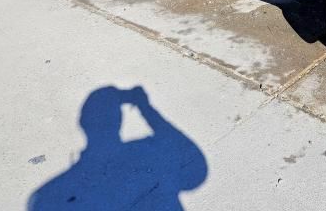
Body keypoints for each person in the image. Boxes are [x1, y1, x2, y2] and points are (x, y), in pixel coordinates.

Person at [28, 86, 206, 210]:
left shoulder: (45, 197)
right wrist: (145, 107)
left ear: (83, 123)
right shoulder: (143, 153)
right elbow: (191, 160)